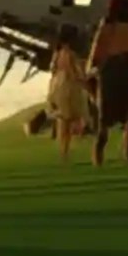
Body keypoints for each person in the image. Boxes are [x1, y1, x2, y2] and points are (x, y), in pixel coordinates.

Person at [85, 0, 128, 166]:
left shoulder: (107, 26)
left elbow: (96, 53)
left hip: (111, 71)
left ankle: (98, 155)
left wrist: (91, 71)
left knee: (105, 119)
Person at [46, 25, 89, 162]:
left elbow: (53, 70)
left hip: (57, 87)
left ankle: (63, 151)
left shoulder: (57, 54)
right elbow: (74, 73)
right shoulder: (70, 54)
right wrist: (84, 79)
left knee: (63, 122)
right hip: (69, 88)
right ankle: (67, 150)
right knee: (73, 118)